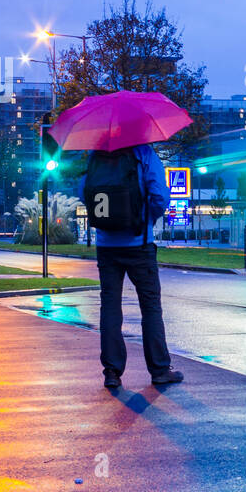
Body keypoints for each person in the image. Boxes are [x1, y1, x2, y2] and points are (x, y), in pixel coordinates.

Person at [81, 142, 184, 390]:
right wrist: (148, 219)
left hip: (106, 245)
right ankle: (159, 369)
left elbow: (83, 192)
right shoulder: (144, 153)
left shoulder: (95, 153)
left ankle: (112, 372)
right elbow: (160, 195)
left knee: (110, 308)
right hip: (140, 242)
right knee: (150, 308)